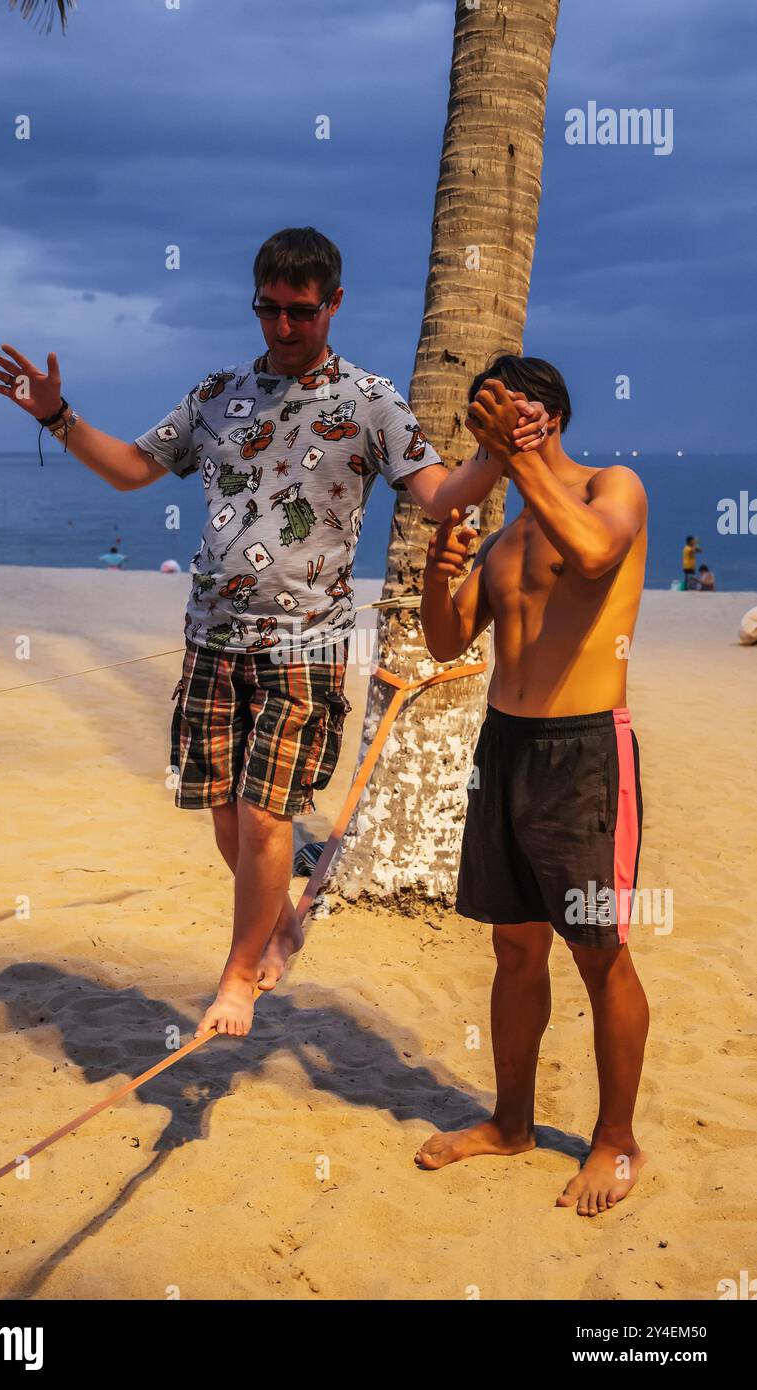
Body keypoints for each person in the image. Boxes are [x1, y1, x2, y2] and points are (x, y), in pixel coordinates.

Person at [0, 226, 549, 1038]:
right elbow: (133, 469)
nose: (284, 328)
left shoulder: (369, 401)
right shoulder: (216, 394)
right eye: (270, 310)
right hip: (211, 641)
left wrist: (494, 457)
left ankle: (237, 976)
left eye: (301, 312)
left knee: (264, 817)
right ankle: (276, 922)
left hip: (305, 646)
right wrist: (58, 416)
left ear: (334, 305)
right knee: (222, 813)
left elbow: (434, 495)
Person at [418, 355, 650, 1218]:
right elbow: (447, 644)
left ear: (543, 416)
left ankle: (616, 1140)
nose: (484, 439)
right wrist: (442, 571)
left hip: (585, 754)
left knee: (599, 955)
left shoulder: (608, 489)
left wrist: (513, 460)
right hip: (504, 748)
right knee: (514, 949)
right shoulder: (509, 535)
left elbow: (593, 556)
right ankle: (510, 1124)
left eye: (499, 417)